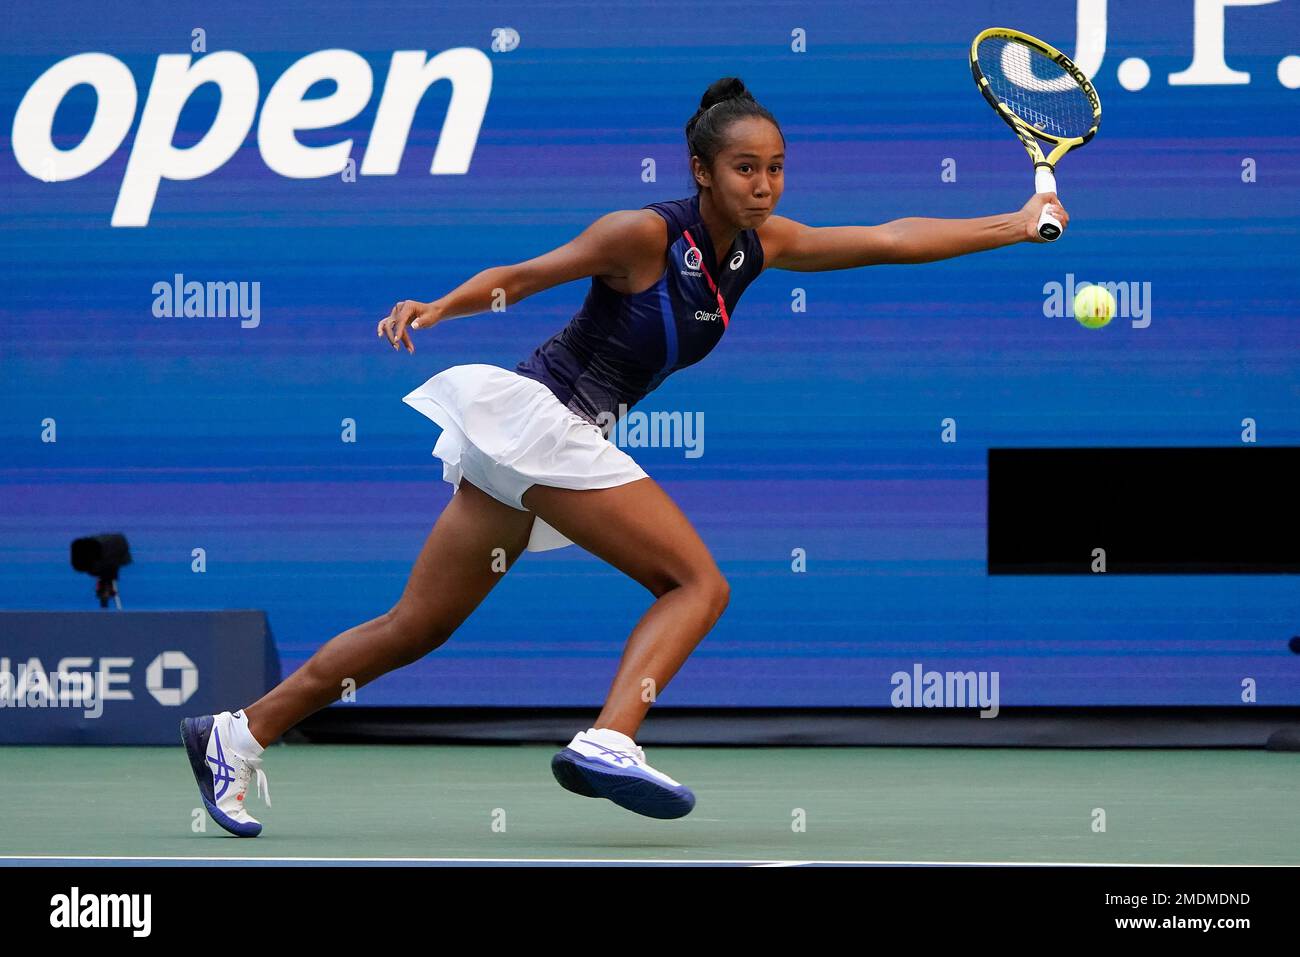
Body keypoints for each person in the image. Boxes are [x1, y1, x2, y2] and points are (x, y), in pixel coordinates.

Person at [181, 75, 1069, 835]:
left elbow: (889, 239)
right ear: (701, 171)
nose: (763, 186)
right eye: (744, 169)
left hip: (539, 443)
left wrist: (1017, 223)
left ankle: (241, 730)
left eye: (775, 169)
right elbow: (525, 276)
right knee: (698, 584)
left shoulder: (763, 247)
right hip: (543, 421)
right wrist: (439, 307)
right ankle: (612, 735)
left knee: (418, 625)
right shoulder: (643, 234)